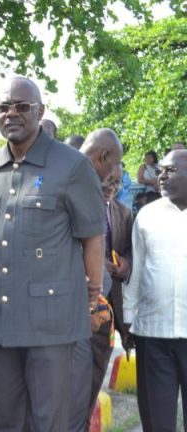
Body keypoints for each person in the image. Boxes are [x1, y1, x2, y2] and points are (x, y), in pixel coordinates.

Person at [0, 76, 105, 431]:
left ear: (40, 111)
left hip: (52, 324)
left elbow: (92, 238)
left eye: (22, 106)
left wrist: (92, 298)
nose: (12, 114)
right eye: (3, 107)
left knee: (49, 421)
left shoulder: (71, 166)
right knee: (5, 421)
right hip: (1, 320)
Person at [123, 150, 187, 432]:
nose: (161, 176)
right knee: (157, 421)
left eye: (170, 170)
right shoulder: (147, 216)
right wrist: (127, 317)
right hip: (153, 334)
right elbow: (136, 271)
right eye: (160, 170)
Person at [69, 128, 124, 431]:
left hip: (101, 322)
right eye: (110, 175)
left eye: (117, 182)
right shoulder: (66, 191)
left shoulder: (121, 213)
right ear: (103, 159)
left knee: (85, 399)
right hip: (68, 316)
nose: (111, 185)